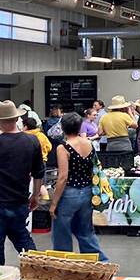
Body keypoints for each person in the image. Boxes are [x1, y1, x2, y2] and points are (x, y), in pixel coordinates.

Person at [0, 101, 44, 265]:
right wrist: (35, 195)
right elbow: (39, 172)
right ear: (17, 119)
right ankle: (40, 270)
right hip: (19, 202)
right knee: (22, 239)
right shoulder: (32, 141)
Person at [49, 112, 108, 262]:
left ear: (62, 128)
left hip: (69, 193)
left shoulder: (63, 147)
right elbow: (92, 170)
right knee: (86, 232)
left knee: (62, 234)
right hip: (87, 192)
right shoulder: (88, 143)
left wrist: (54, 203)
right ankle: (100, 263)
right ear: (80, 126)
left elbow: (62, 177)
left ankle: (65, 266)